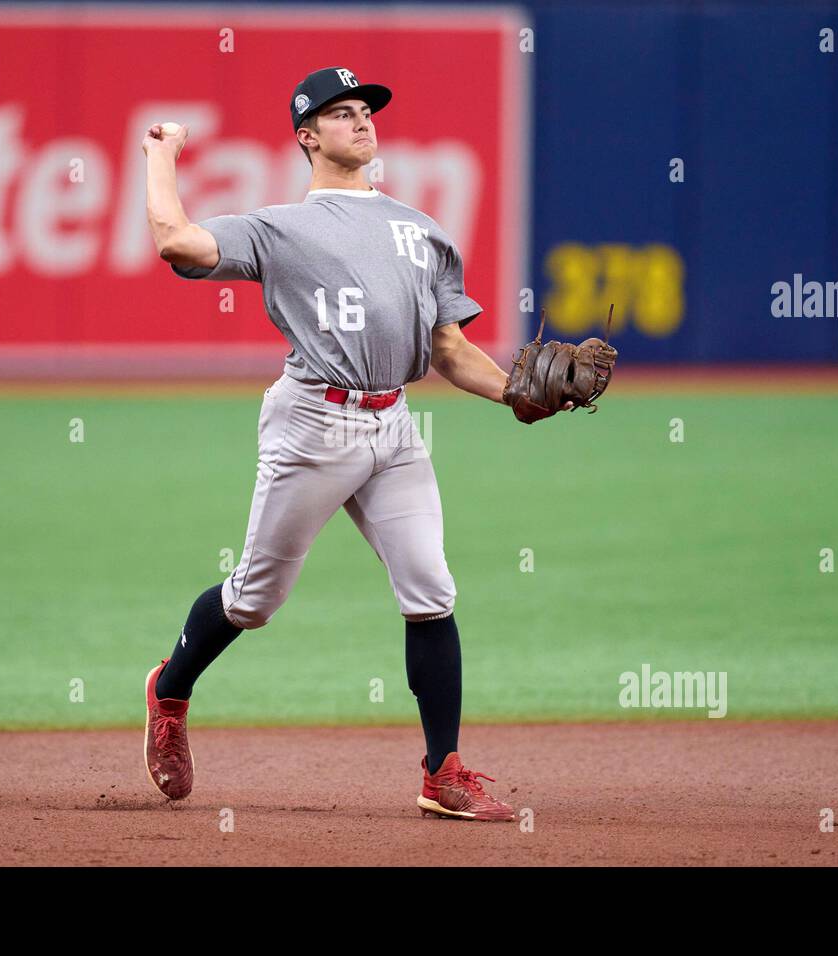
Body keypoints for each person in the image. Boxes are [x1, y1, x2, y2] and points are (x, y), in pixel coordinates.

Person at [139, 67, 547, 821]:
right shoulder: (279, 228)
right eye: (341, 113)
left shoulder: (421, 229)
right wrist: (161, 154)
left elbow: (450, 349)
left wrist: (514, 392)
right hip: (311, 425)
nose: (361, 121)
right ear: (306, 136)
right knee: (256, 597)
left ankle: (442, 772)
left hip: (396, 426)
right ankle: (170, 688)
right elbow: (177, 243)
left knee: (430, 590)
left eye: (365, 111)